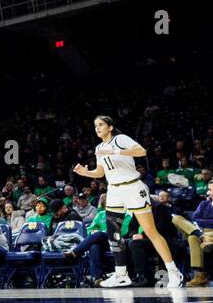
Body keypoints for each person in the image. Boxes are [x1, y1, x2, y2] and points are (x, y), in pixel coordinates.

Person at [72, 115, 182, 289]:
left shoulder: (120, 139)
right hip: (114, 190)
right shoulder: (99, 147)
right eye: (95, 126)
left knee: (150, 231)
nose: (98, 128)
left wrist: (116, 152)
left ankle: (174, 272)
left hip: (132, 187)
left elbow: (141, 151)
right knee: (112, 232)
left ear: (110, 127)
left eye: (101, 125)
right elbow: (101, 172)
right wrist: (85, 173)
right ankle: (121, 274)